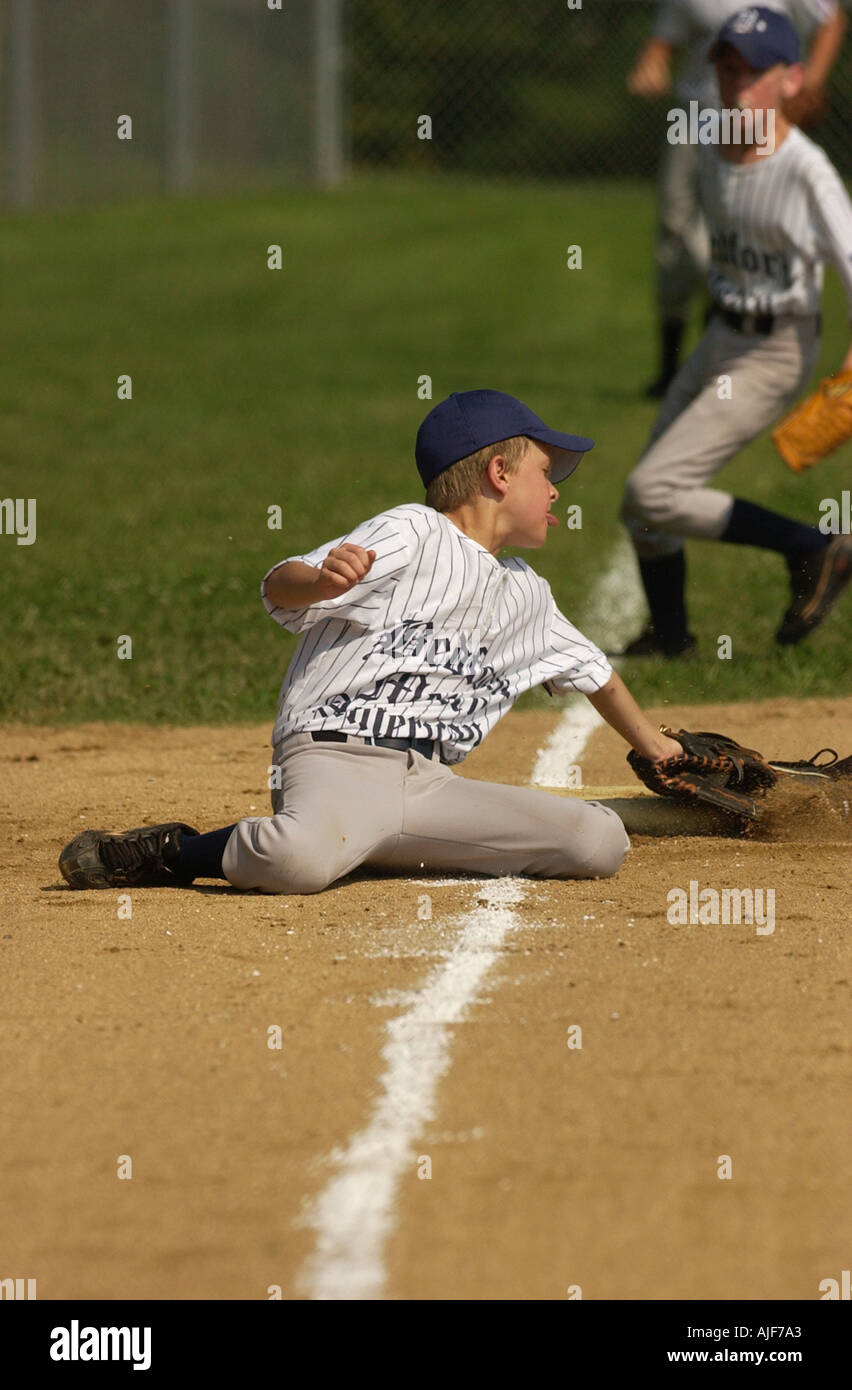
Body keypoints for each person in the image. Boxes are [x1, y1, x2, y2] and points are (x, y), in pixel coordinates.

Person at [59, 389, 686, 895]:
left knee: (597, 843)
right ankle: (176, 851)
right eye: (545, 473)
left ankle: (373, 844)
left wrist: (660, 750)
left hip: (432, 785)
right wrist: (321, 578)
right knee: (296, 863)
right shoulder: (413, 531)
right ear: (498, 473)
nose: (555, 492)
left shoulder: (528, 594)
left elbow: (595, 674)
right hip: (333, 761)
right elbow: (280, 587)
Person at [620, 6, 852, 658]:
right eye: (727, 67)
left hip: (775, 349)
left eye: (755, 71)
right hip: (721, 337)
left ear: (791, 79)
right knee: (642, 511)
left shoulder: (805, 169)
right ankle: (671, 638)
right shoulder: (708, 143)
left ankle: (815, 546)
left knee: (653, 490)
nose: (737, 83)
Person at [627, 0, 846, 397]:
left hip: (759, 122)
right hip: (696, 119)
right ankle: (673, 363)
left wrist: (810, 82)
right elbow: (666, 38)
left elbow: (830, 20)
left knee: (748, 233)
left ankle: (731, 339)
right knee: (675, 230)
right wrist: (652, 61)